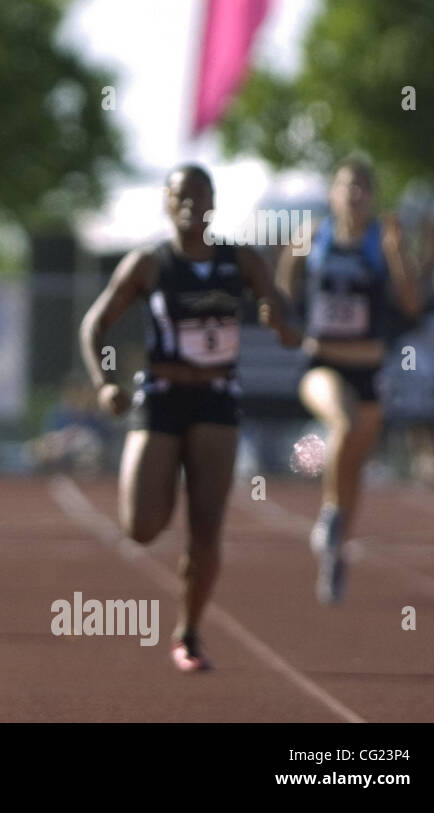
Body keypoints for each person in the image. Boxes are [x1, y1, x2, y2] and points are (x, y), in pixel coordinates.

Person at [79, 164, 301, 671]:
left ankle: (189, 633)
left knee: (206, 530)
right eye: (180, 195)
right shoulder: (148, 264)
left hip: (216, 402)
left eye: (200, 195)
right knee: (140, 526)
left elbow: (286, 318)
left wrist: (281, 321)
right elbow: (94, 324)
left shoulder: (240, 260)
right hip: (161, 398)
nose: (190, 204)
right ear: (166, 201)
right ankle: (169, 482)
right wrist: (104, 383)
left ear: (213, 202)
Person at [276, 157, 422, 604]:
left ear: (372, 196)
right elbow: (284, 289)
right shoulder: (314, 237)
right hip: (322, 362)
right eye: (346, 186)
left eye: (362, 186)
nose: (354, 194)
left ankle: (335, 554)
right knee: (342, 422)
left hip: (370, 367)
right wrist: (288, 290)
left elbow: (413, 304)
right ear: (333, 194)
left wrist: (398, 257)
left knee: (354, 467)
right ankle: (330, 518)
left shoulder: (384, 241)